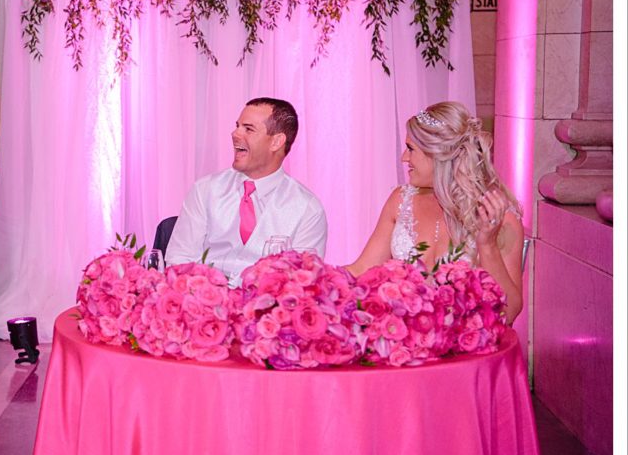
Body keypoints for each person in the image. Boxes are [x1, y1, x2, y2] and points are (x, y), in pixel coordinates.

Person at [348, 101, 525, 323]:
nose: (404, 158)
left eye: (411, 149)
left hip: (467, 348)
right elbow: (362, 269)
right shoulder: (400, 201)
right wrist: (311, 283)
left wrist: (487, 244)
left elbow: (508, 313)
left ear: (439, 155)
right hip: (405, 342)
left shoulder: (499, 217)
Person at [164, 97, 328, 285]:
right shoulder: (205, 190)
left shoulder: (307, 209)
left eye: (248, 129)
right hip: (207, 307)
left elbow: (302, 283)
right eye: (237, 126)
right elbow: (179, 261)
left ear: (276, 142)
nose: (235, 133)